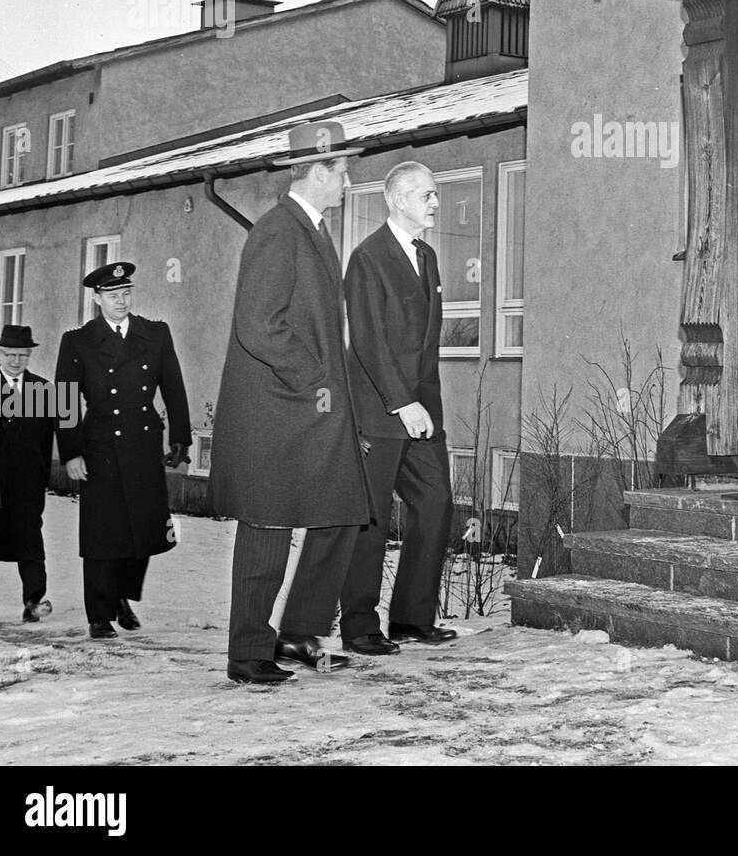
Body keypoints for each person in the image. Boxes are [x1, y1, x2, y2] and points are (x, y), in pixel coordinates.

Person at [208, 120, 373, 686]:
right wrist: (315, 376)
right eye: (343, 170)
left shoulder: (311, 229)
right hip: (280, 409)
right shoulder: (281, 231)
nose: (348, 182)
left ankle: (296, 631)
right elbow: (259, 325)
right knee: (267, 529)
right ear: (320, 171)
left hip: (305, 408)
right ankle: (248, 654)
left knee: (342, 509)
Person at [339, 160, 456, 654]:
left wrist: (422, 404)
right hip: (380, 411)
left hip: (422, 412)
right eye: (426, 195)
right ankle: (360, 626)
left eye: (435, 194)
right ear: (396, 200)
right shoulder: (367, 258)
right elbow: (367, 340)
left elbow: (424, 344)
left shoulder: (426, 256)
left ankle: (411, 618)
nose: (435, 203)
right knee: (371, 518)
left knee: (435, 504)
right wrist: (400, 402)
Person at [55, 263, 191, 637]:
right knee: (102, 533)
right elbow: (65, 401)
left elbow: (173, 386)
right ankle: (99, 614)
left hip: (144, 444)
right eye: (113, 295)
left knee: (146, 527)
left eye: (126, 293)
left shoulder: (155, 334)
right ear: (96, 298)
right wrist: (71, 453)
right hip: (100, 447)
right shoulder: (79, 340)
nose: (121, 301)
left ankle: (121, 595)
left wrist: (181, 438)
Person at [0, 325, 57, 623]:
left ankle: (33, 602)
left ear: (30, 355)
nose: (15, 361)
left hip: (26, 483)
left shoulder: (45, 390)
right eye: (9, 354)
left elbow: (47, 440)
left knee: (30, 541)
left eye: (22, 355)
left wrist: (40, 478)